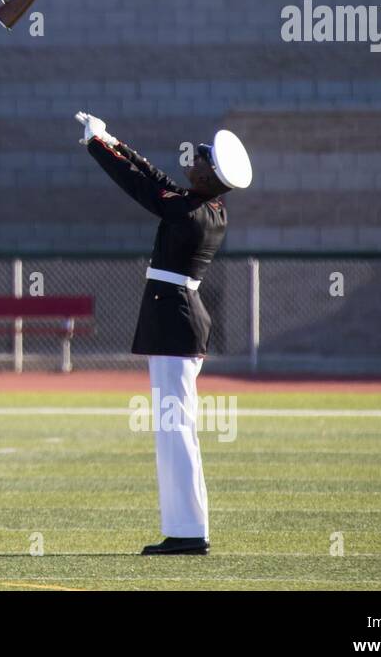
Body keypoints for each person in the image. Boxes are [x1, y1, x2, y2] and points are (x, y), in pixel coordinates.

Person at [77, 112, 251, 556]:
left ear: (212, 177)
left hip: (175, 321)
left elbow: (143, 189)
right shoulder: (206, 207)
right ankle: (185, 528)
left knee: (176, 430)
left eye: (201, 161)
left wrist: (98, 147)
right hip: (175, 320)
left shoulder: (192, 213)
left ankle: (190, 532)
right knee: (173, 429)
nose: (192, 161)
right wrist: (116, 141)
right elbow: (156, 179)